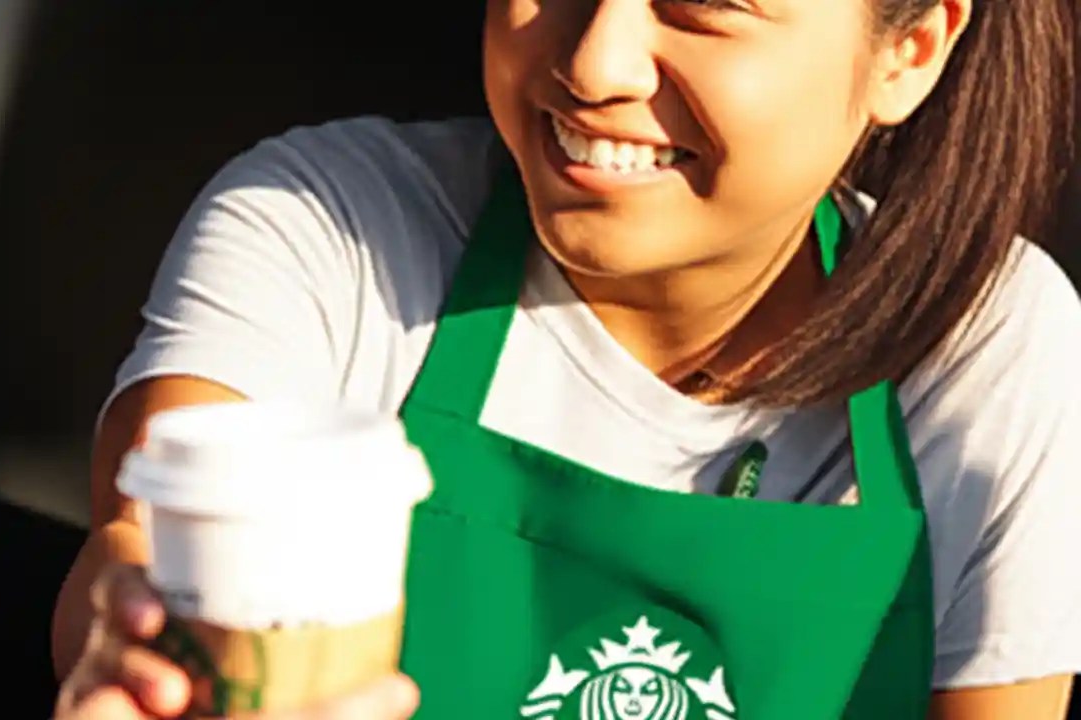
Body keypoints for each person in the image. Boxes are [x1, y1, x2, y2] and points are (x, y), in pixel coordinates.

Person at [52, 0, 1081, 716]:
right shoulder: (330, 224)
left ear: (907, 52)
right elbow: (156, 528)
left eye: (704, 1)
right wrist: (152, 653)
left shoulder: (987, 344)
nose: (593, 63)